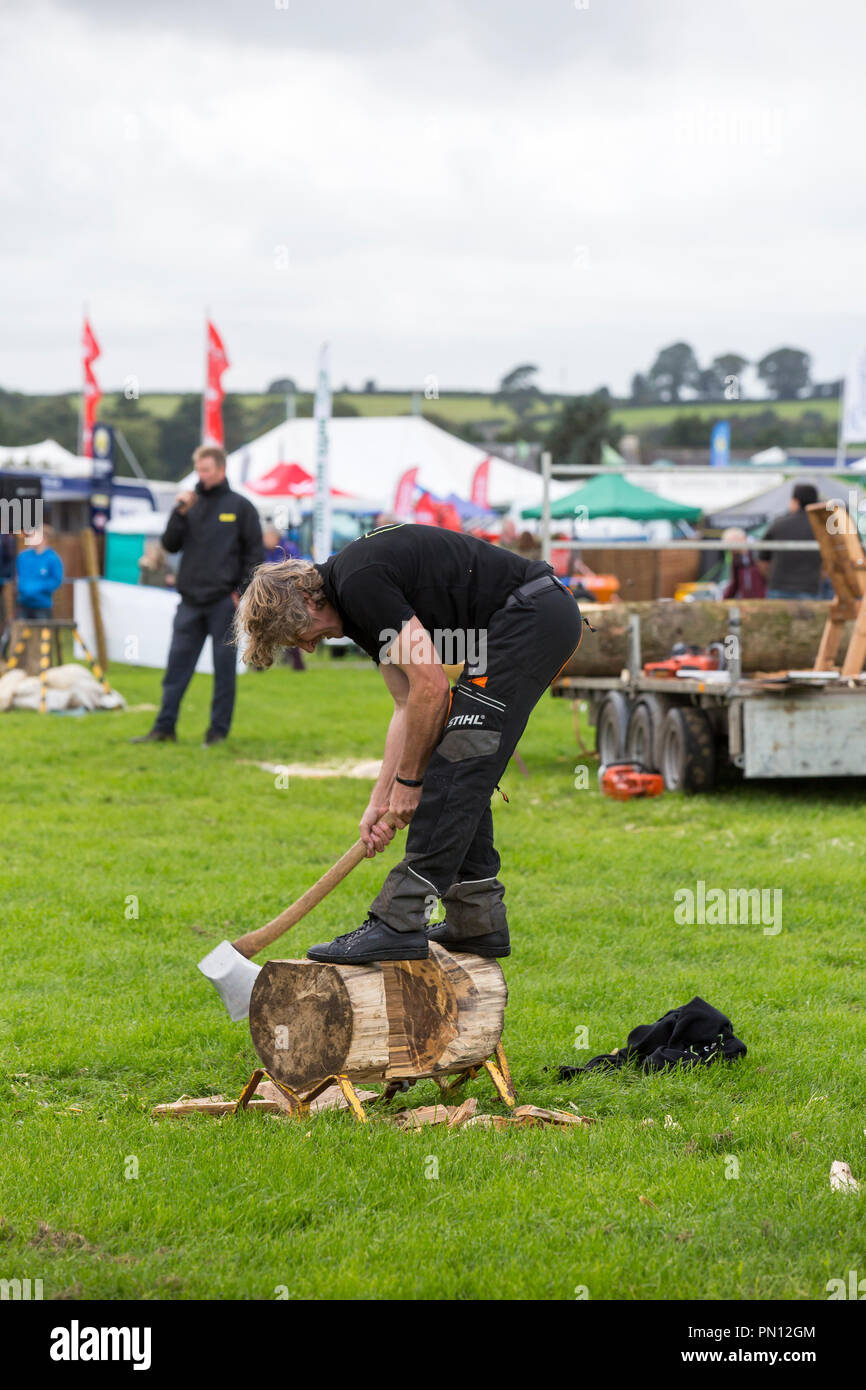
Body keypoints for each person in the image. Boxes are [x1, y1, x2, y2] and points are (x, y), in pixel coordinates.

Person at [234, 523, 583, 965]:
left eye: (298, 633)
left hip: (535, 615)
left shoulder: (359, 584)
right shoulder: (354, 603)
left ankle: (399, 920)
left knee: (459, 759)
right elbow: (406, 706)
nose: (309, 645)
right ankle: (477, 919)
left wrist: (410, 783)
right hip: (522, 619)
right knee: (457, 758)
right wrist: (379, 802)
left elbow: (432, 687)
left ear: (305, 599)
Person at [131, 445, 263, 747]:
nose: (201, 476)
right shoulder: (189, 505)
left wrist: (240, 594)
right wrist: (179, 511)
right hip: (189, 601)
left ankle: (217, 733)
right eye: (198, 470)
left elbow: (254, 556)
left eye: (206, 470)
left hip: (222, 603)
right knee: (177, 667)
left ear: (220, 469)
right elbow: (170, 544)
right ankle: (164, 728)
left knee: (223, 670)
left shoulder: (241, 507)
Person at [759, 484, 822, 599]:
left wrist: (771, 579)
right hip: (809, 589)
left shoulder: (778, 524)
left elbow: (763, 561)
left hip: (778, 588)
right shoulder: (821, 528)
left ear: (795, 501)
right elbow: (829, 563)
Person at [15, 525, 63, 618]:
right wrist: (23, 588)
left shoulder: (52, 558)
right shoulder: (22, 557)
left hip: (42, 605)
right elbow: (19, 576)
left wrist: (36, 588)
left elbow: (56, 580)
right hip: (23, 604)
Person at [721, 527, 766, 600]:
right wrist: (724, 599)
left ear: (742, 539)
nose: (730, 549)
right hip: (746, 601)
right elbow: (734, 583)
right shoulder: (736, 558)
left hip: (764, 599)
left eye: (731, 544)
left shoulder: (759, 552)